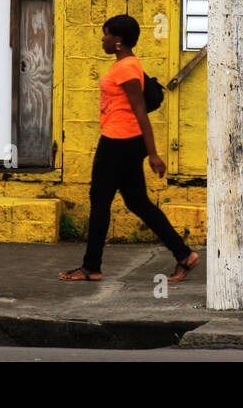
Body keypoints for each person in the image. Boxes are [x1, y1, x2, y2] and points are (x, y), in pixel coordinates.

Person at [59, 14, 199, 282]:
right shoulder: (128, 64)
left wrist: (155, 153)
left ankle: (91, 267)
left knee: (100, 202)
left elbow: (140, 111)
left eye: (107, 34)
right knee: (138, 202)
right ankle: (183, 254)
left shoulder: (125, 69)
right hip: (127, 142)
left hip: (117, 143)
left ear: (119, 40)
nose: (103, 38)